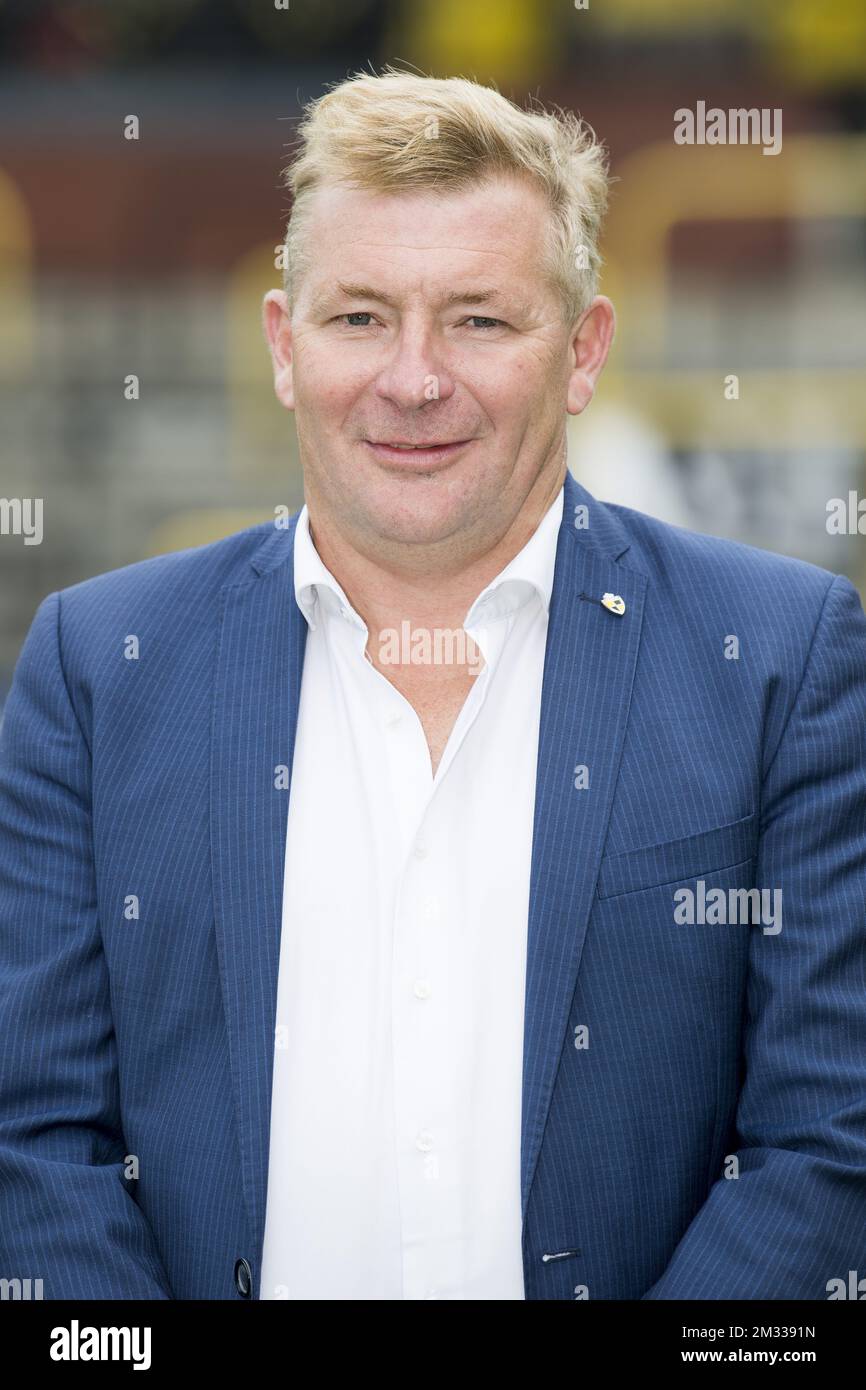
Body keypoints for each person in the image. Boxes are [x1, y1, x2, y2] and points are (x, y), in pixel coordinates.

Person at [1, 69, 864, 1302]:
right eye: (358, 318)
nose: (413, 379)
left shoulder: (780, 656)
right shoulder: (97, 669)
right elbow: (32, 1142)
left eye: (477, 319)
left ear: (581, 351)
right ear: (282, 345)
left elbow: (829, 1139)